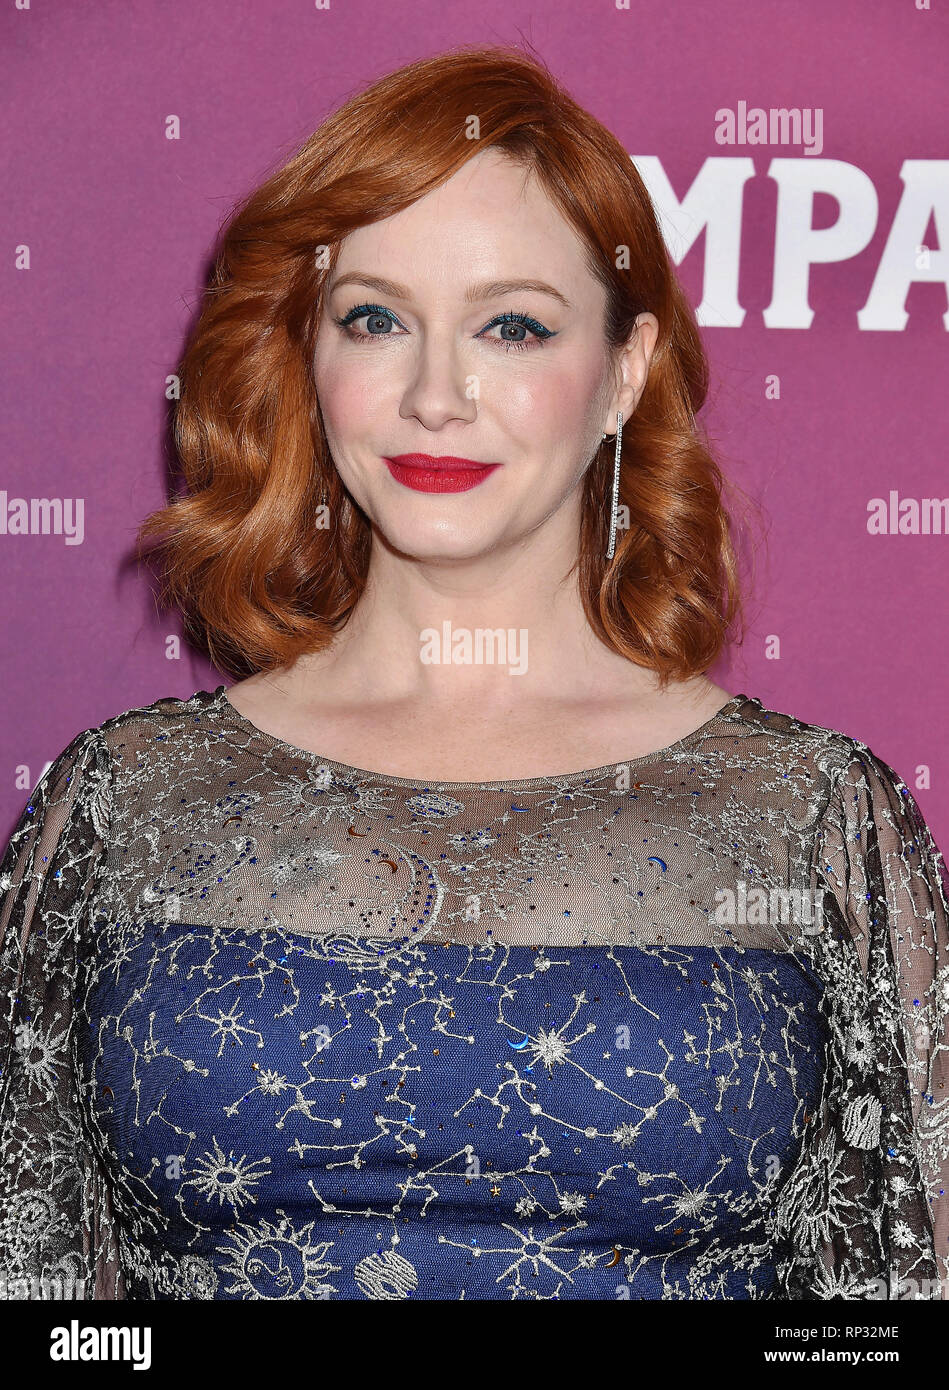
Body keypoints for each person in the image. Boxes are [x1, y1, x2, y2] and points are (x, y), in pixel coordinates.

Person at [1, 45, 946, 1303]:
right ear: (310, 359)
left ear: (620, 372)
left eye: (511, 326)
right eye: (376, 319)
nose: (435, 394)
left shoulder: (810, 819)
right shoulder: (122, 804)